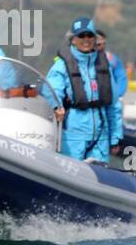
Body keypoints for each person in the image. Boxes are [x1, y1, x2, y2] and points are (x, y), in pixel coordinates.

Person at [44, 17, 123, 163]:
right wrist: (56, 106)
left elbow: (114, 106)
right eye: (81, 35)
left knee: (101, 177)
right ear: (73, 39)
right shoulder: (62, 65)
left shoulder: (103, 65)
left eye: (89, 35)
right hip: (73, 136)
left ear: (94, 38)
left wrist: (115, 138)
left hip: (101, 136)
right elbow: (51, 89)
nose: (86, 39)